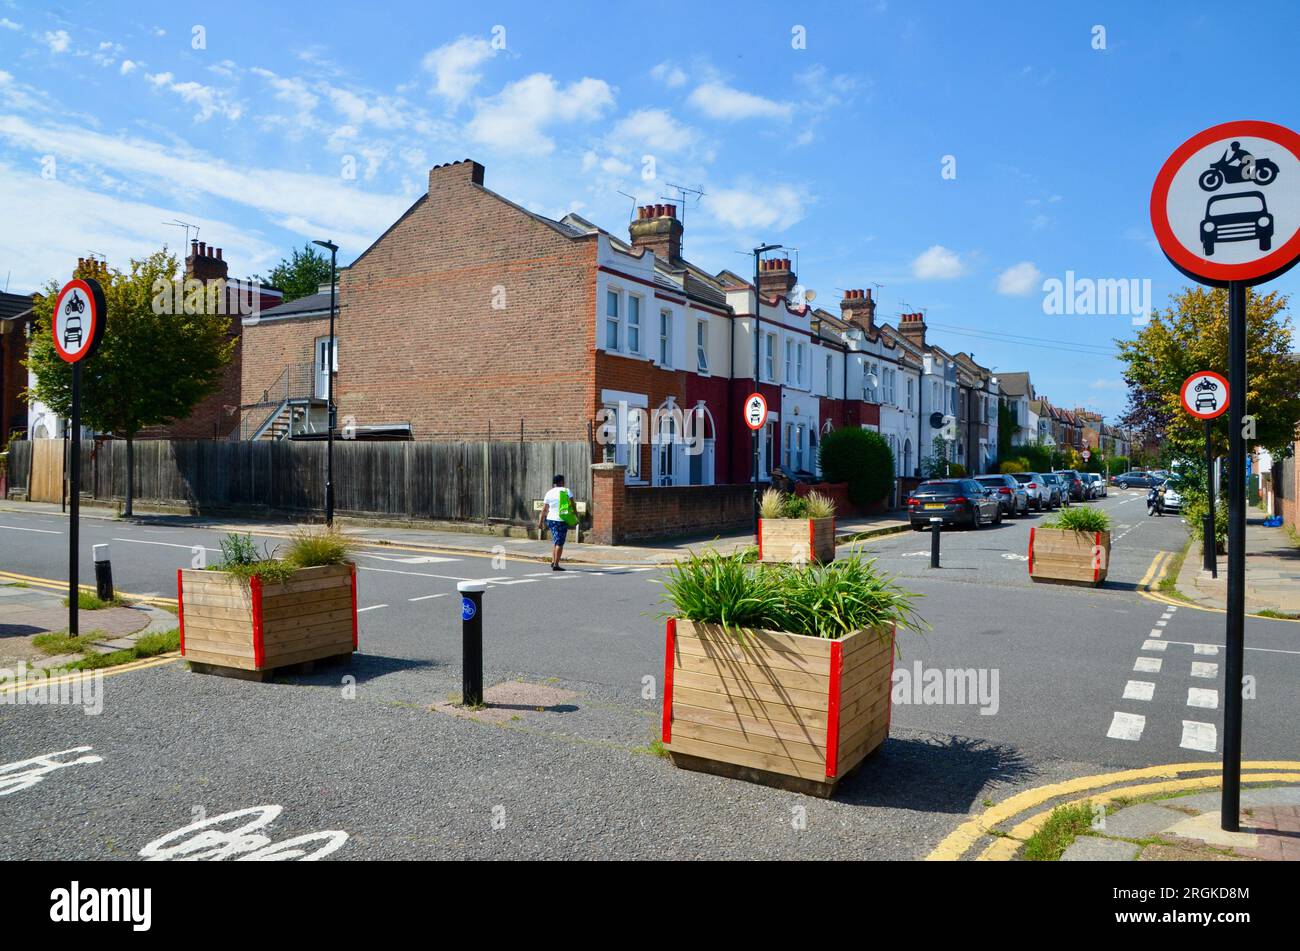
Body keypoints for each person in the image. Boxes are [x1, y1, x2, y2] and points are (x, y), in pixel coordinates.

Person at [538, 474, 572, 571]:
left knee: (556, 541)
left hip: (550, 520)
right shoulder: (566, 491)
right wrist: (575, 516)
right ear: (561, 482)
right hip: (561, 520)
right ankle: (556, 565)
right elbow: (572, 504)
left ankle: (553, 561)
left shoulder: (549, 492)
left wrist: (540, 522)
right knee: (560, 543)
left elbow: (544, 509)